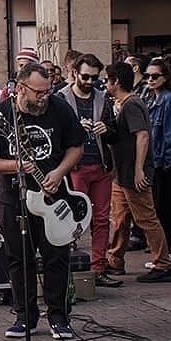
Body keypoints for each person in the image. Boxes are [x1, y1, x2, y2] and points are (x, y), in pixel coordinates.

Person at [0, 63, 85, 339]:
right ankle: (25, 316)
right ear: (21, 88)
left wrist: (59, 172)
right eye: (39, 92)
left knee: (56, 257)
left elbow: (76, 146)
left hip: (56, 195)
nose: (44, 97)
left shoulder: (59, 108)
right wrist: (16, 166)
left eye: (48, 91)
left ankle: (59, 317)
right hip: (14, 199)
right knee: (19, 258)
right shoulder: (1, 116)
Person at [102, 63, 171, 283]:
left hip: (132, 173)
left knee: (146, 219)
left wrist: (139, 170)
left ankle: (162, 264)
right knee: (120, 219)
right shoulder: (124, 104)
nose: (105, 84)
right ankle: (115, 259)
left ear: (115, 81)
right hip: (121, 173)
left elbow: (142, 135)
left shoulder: (132, 105)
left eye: (107, 79)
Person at [57, 54, 119, 287]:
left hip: (100, 165)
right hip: (75, 167)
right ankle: (69, 268)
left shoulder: (103, 98)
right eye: (86, 77)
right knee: (73, 218)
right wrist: (76, 129)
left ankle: (98, 269)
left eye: (95, 78)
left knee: (101, 219)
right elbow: (55, 135)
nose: (90, 82)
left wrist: (107, 130)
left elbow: (115, 133)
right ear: (74, 73)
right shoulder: (61, 98)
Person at [145, 59, 171, 266]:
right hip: (156, 162)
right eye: (148, 76)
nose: (150, 80)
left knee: (167, 208)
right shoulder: (152, 98)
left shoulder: (169, 100)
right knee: (159, 208)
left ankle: (170, 251)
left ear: (165, 77)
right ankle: (164, 251)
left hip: (163, 163)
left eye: (155, 76)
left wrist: (168, 162)